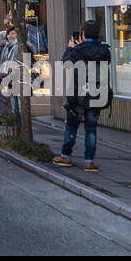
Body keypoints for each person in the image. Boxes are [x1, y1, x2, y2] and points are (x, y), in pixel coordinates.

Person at [53, 19, 112, 172]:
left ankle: (65, 156)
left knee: (72, 126)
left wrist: (70, 48)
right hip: (97, 94)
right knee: (91, 128)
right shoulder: (105, 51)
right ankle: (89, 161)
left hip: (78, 95)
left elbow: (65, 63)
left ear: (83, 34)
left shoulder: (78, 50)